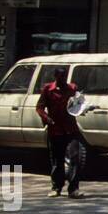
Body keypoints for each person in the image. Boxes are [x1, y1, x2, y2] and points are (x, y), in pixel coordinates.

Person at [35, 67, 86, 198]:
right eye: (60, 77)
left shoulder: (72, 88)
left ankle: (73, 189)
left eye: (65, 77)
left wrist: (82, 108)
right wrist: (47, 118)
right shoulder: (48, 89)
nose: (63, 79)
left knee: (74, 158)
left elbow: (79, 103)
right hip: (55, 130)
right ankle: (56, 187)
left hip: (71, 129)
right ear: (56, 77)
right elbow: (39, 107)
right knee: (57, 161)